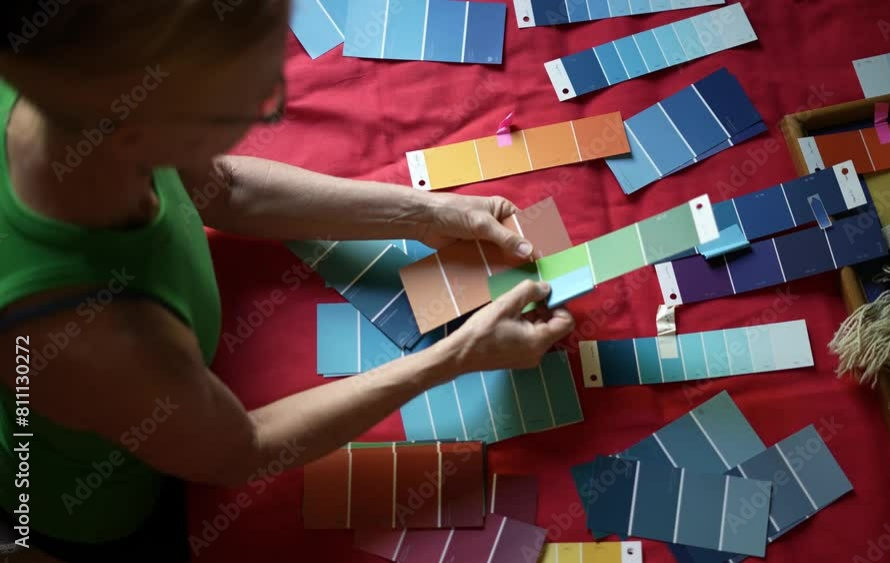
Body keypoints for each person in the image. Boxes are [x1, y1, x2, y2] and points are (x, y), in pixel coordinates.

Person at [0, 1, 575, 560]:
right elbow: (240, 452)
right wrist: (455, 356)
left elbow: (222, 188)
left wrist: (423, 214)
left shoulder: (73, 93)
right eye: (255, 103)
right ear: (141, 132)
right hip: (99, 505)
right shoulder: (92, 335)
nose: (269, 106)